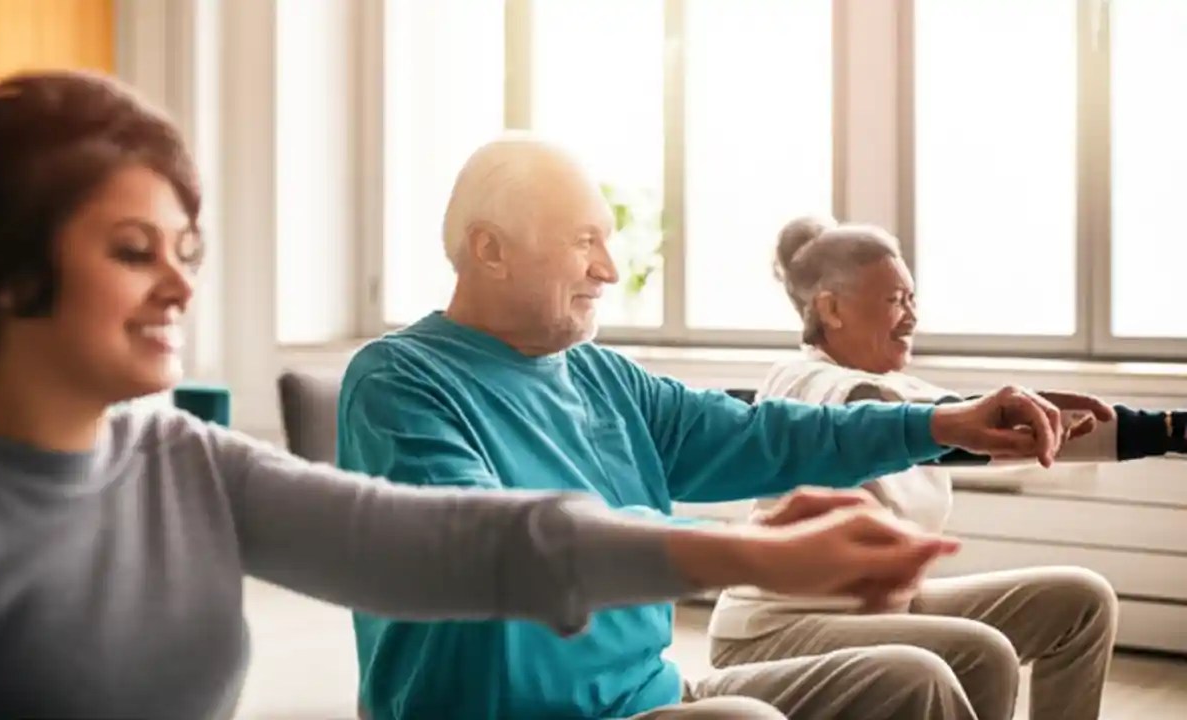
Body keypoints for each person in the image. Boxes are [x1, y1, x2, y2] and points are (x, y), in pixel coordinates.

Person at [0, 73, 967, 720]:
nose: (185, 284)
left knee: (915, 682)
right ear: (5, 278)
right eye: (135, 250)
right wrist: (739, 551)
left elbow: (460, 545)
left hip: (644, 687)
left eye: (187, 247)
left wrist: (779, 529)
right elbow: (471, 544)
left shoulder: (184, 460)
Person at [335, 134, 1084, 720]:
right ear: (489, 248)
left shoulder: (602, 375)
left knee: (919, 677)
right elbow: (500, 547)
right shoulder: (399, 381)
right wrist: (755, 552)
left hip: (647, 695)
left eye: (607, 239)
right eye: (582, 241)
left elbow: (766, 435)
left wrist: (943, 422)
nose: (609, 270)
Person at [705, 216, 1172, 720]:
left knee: (1082, 601)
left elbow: (1019, 429)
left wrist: (1170, 429)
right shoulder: (801, 379)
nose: (911, 317)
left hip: (881, 613)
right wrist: (961, 423)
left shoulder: (907, 391)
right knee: (982, 652)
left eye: (911, 299)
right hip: (775, 628)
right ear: (831, 308)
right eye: (893, 301)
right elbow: (886, 420)